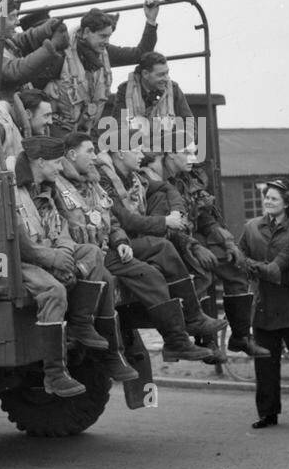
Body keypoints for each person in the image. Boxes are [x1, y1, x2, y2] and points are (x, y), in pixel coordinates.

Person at [50, 132, 214, 361]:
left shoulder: (93, 181)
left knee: (152, 273)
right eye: (89, 151)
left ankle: (177, 340)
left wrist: (120, 241)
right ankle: (114, 357)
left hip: (107, 248)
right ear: (72, 154)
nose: (94, 156)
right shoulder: (58, 185)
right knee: (114, 279)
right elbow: (58, 228)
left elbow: (111, 219)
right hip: (84, 255)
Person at [12, 134, 139, 397]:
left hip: (52, 253)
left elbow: (61, 226)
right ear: (39, 161)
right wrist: (52, 258)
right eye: (56, 162)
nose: (60, 168)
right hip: (24, 261)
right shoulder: (12, 190)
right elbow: (21, 243)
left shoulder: (46, 188)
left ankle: (82, 324)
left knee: (92, 253)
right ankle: (54, 375)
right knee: (54, 291)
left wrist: (64, 252)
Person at [95, 149, 229, 342]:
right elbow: (126, 221)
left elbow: (167, 188)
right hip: (115, 245)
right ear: (121, 154)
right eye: (136, 150)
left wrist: (175, 213)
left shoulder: (133, 178)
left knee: (160, 203)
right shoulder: (104, 181)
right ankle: (187, 327)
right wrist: (165, 222)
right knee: (163, 249)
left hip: (128, 241)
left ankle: (194, 328)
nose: (142, 155)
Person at [147, 148, 262, 358]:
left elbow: (203, 217)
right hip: (171, 244)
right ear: (170, 154)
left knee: (236, 267)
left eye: (194, 152)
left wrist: (226, 241)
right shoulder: (157, 182)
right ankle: (206, 340)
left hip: (190, 238)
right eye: (186, 152)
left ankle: (241, 337)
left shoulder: (187, 180)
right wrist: (194, 246)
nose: (193, 158)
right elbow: (163, 226)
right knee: (202, 273)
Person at [240, 178, 289, 429]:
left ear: (287, 203)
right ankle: (267, 413)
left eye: (274, 198)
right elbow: (239, 259)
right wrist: (251, 268)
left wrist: (255, 267)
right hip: (263, 305)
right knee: (264, 364)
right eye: (267, 197)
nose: (268, 201)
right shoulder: (251, 227)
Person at [48, 5, 159, 132]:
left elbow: (140, 54)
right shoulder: (61, 55)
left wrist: (151, 21)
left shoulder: (104, 52)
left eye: (109, 36)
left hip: (86, 130)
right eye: (103, 36)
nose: (107, 41)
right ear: (86, 32)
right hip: (58, 128)